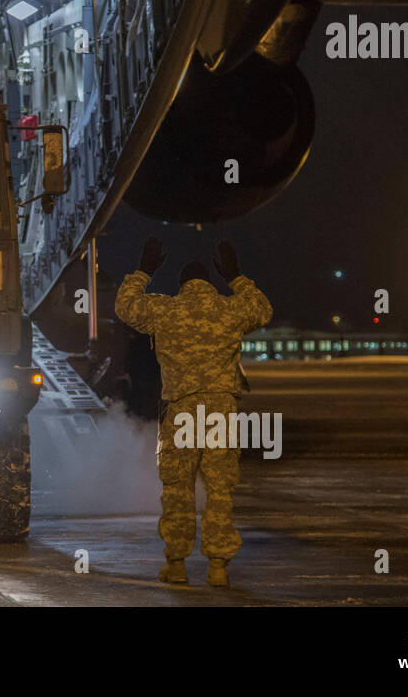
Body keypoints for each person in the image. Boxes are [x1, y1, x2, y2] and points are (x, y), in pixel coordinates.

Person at [114, 239, 272, 588]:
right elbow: (263, 310)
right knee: (219, 490)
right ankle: (218, 566)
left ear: (182, 285)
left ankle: (177, 563)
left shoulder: (166, 310)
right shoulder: (231, 310)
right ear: (211, 283)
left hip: (182, 411)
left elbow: (126, 308)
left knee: (178, 489)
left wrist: (144, 271)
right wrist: (237, 276)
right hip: (220, 411)